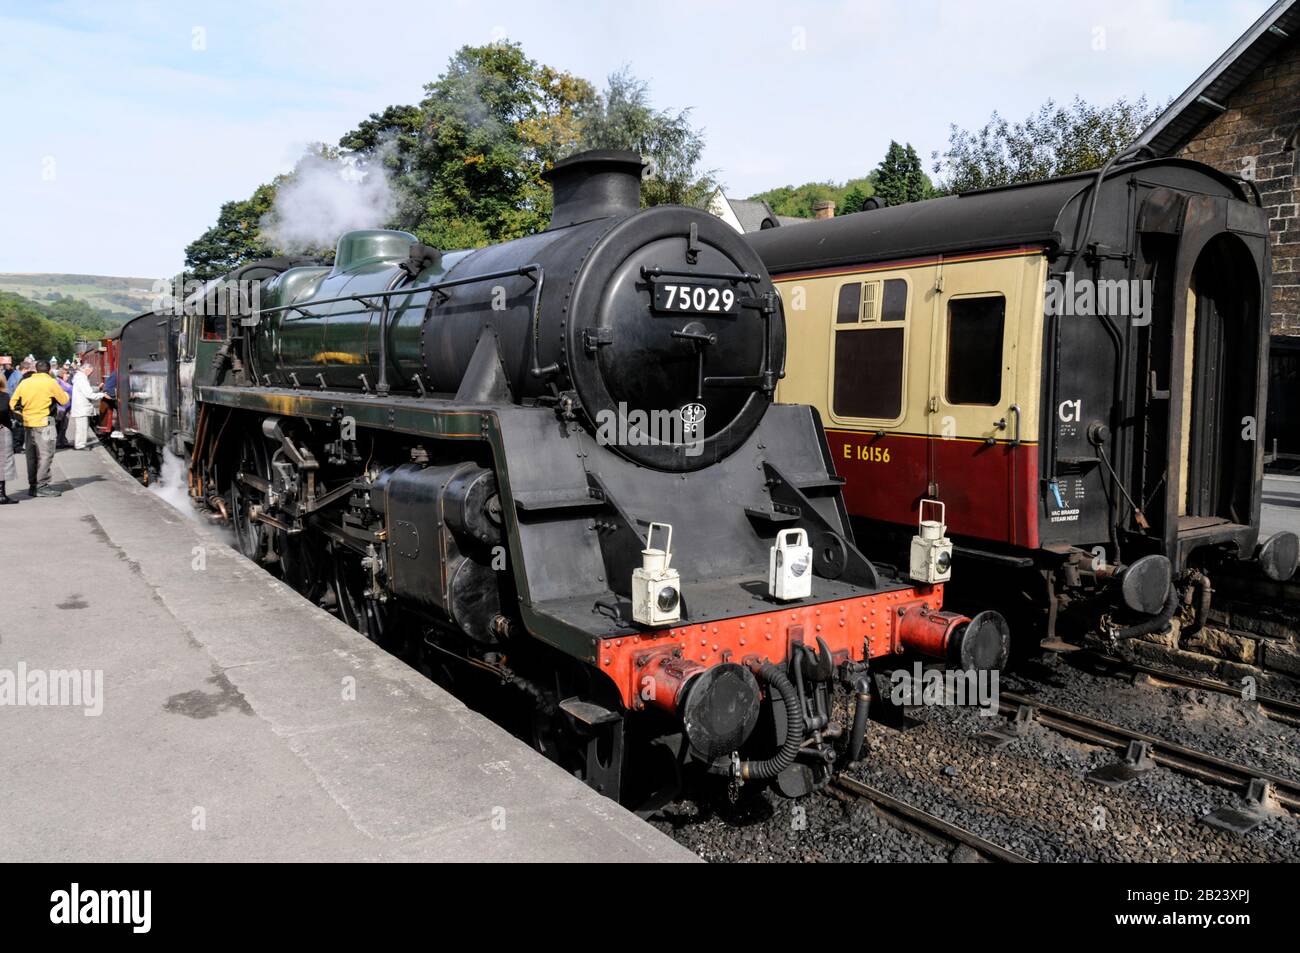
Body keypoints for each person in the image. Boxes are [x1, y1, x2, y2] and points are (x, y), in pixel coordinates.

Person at [10, 360, 69, 498]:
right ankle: (42, 485)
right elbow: (64, 400)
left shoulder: (25, 382)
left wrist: (24, 415)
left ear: (36, 370)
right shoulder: (51, 382)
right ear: (49, 371)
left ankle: (33, 486)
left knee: (31, 456)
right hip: (46, 422)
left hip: (28, 423)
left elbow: (13, 404)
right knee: (46, 454)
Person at [70, 364, 105, 450]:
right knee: (82, 428)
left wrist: (97, 388)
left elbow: (87, 389)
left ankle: (80, 444)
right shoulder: (82, 380)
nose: (90, 374)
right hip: (82, 408)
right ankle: (80, 446)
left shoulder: (80, 378)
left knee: (82, 427)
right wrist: (103, 394)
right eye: (90, 372)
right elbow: (89, 394)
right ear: (86, 370)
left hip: (81, 407)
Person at [8, 357, 33, 452]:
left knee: (16, 425)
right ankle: (17, 447)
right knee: (18, 426)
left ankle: (16, 446)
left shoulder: (14, 374)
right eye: (29, 370)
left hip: (12, 403)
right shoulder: (19, 378)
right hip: (15, 404)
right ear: (25, 369)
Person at [0, 373, 17, 504]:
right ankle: (1, 494)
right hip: (2, 430)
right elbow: (5, 412)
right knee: (3, 461)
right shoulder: (4, 396)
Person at [55, 368, 74, 449]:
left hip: (65, 408)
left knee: (63, 426)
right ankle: (59, 442)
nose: (68, 375)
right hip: (61, 408)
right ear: (62, 374)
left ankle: (62, 440)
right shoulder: (59, 382)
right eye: (66, 374)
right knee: (61, 426)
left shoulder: (62, 382)